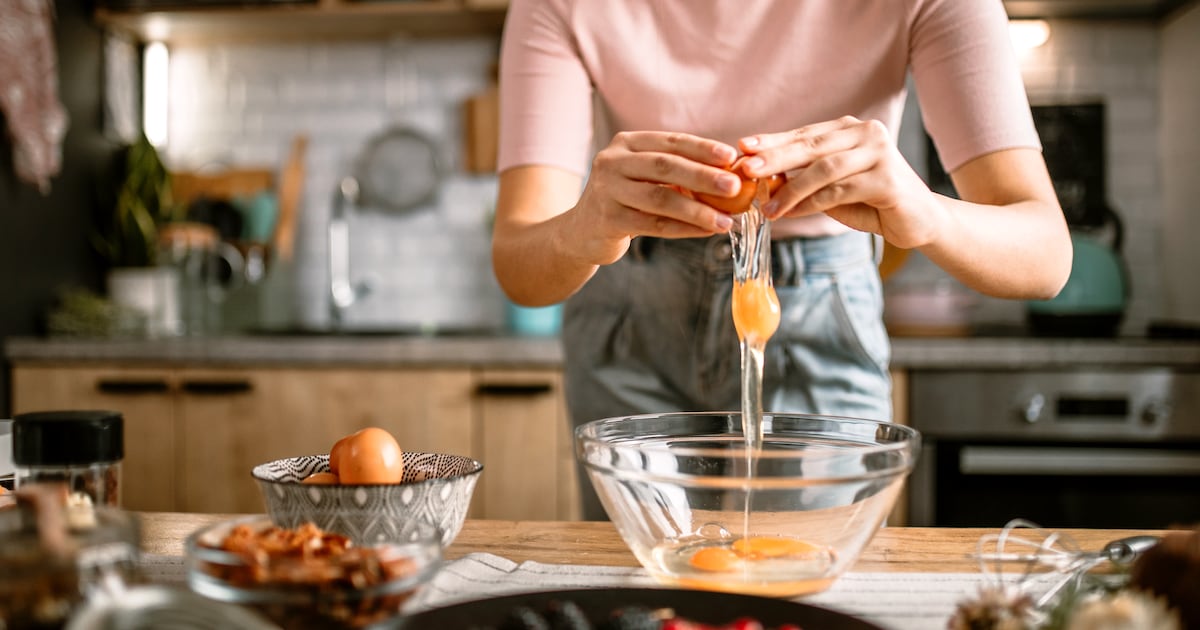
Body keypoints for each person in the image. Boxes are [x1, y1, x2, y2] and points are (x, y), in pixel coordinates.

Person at [491, 0, 1072, 520]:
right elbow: (519, 265)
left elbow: (1045, 256)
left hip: (825, 312)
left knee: (809, 579)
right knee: (644, 586)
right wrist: (583, 227)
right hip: (630, 319)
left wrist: (926, 212)